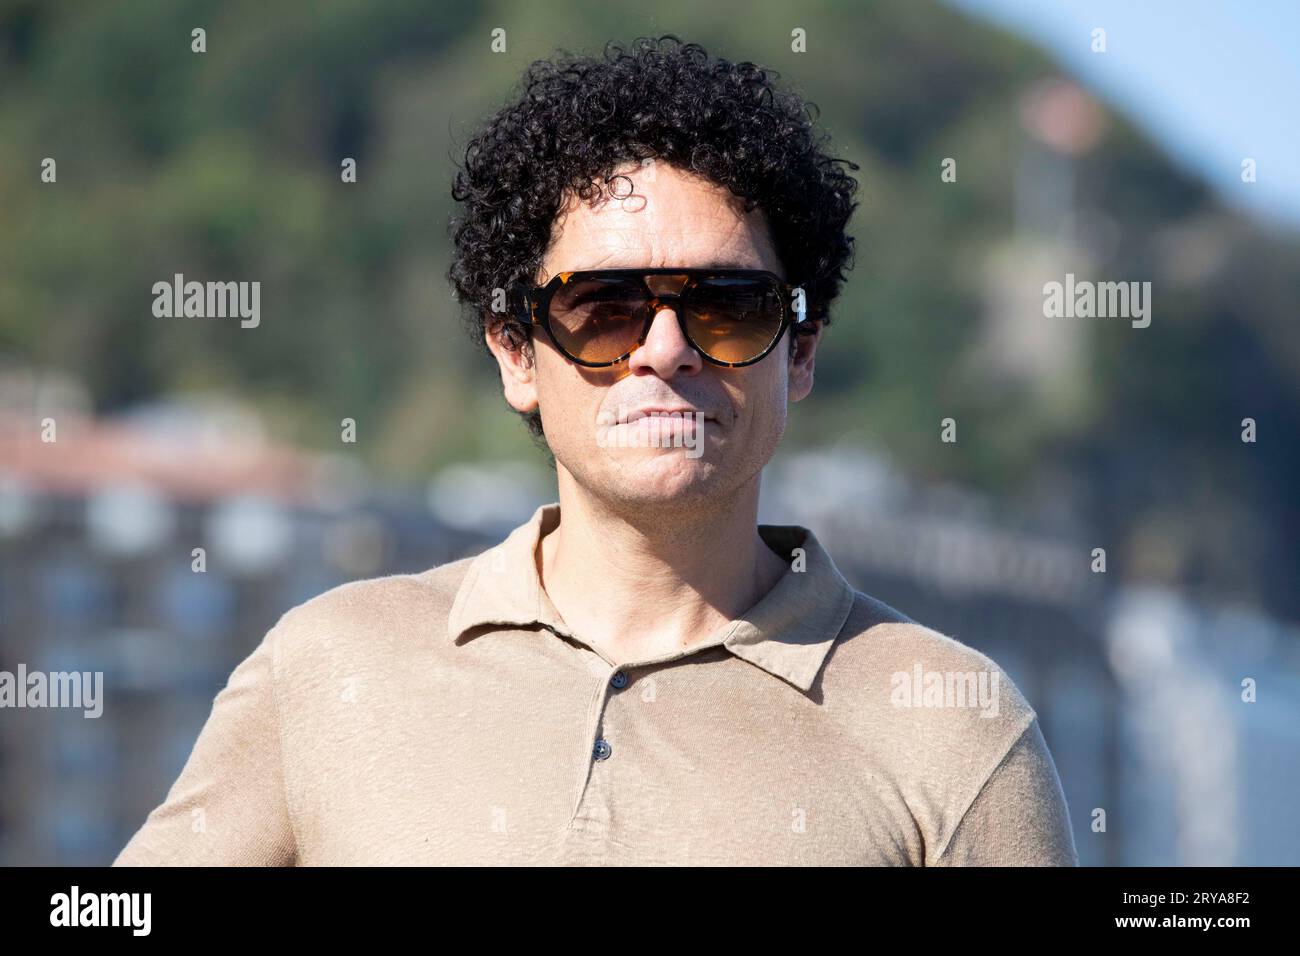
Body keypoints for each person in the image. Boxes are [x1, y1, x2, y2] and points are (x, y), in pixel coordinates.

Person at [115, 35, 1077, 866]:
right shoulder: (327, 665)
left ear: (802, 353)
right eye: (604, 309)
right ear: (516, 354)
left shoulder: (951, 722)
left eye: (726, 307)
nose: (665, 350)